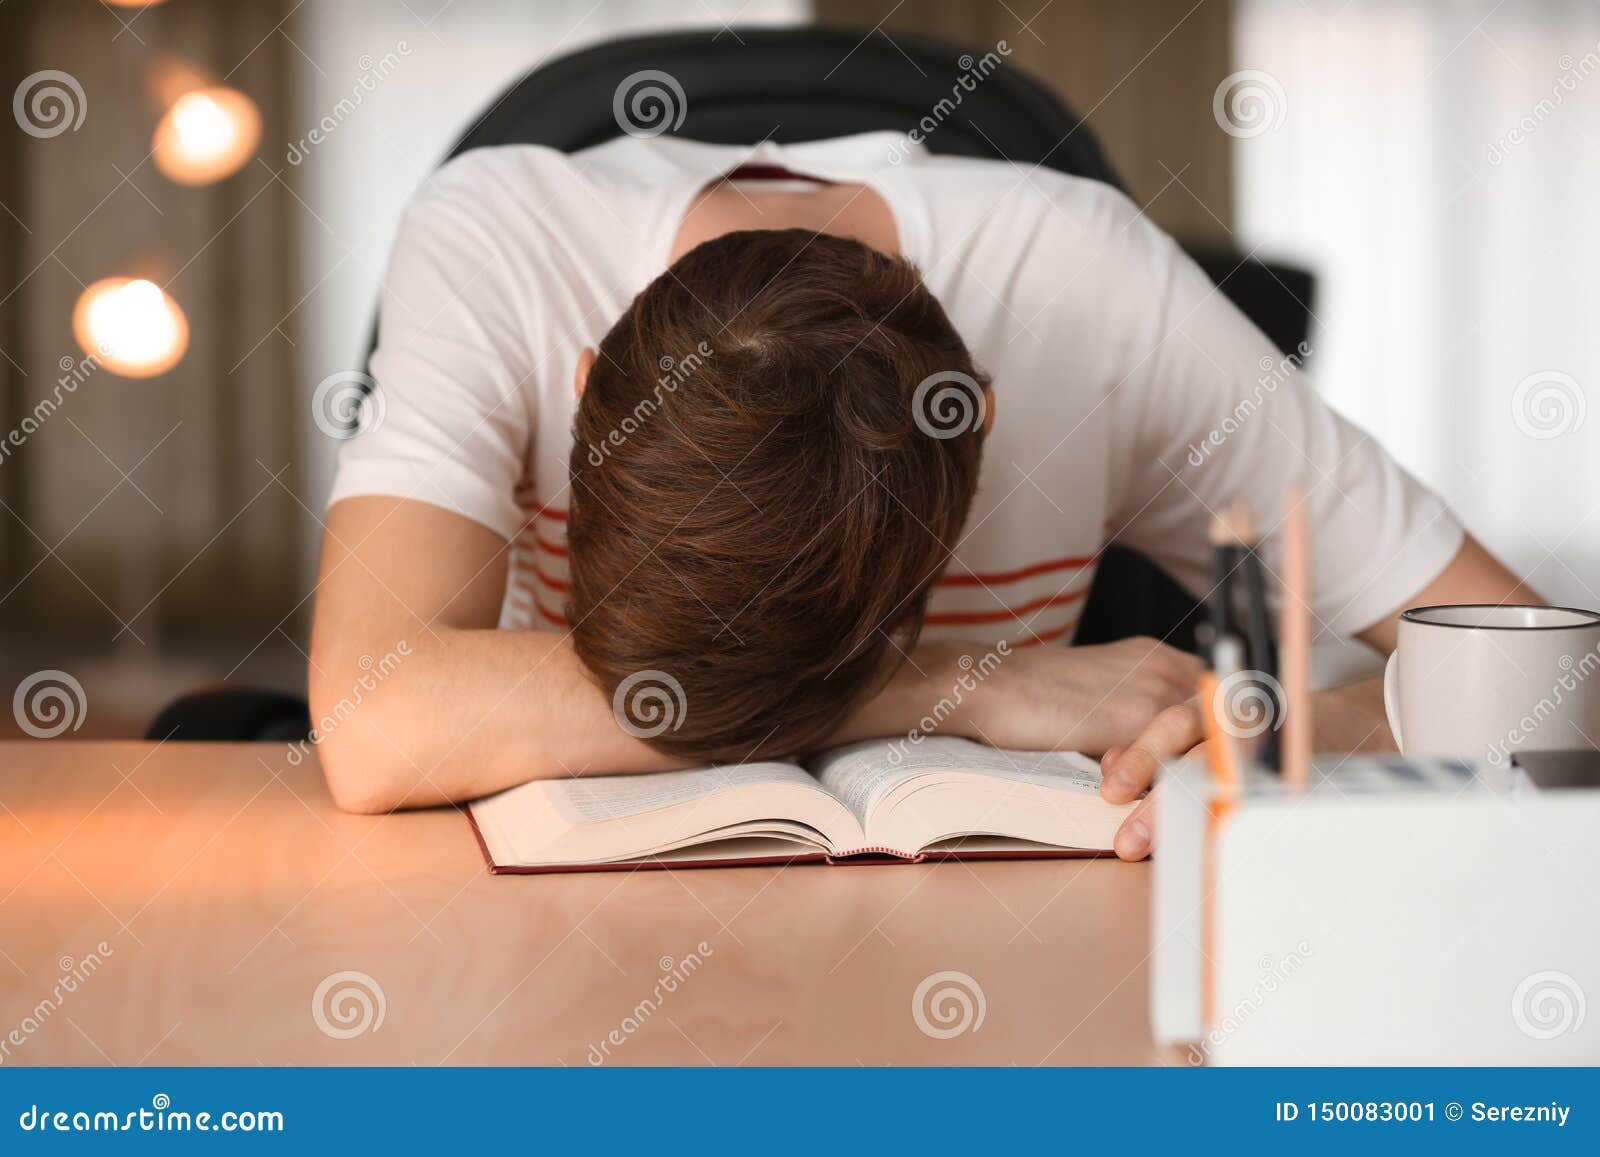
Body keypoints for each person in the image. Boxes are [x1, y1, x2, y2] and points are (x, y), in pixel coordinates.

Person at [310, 133, 1536, 858]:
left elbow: (1556, 684)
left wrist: (1304, 729)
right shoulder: (501, 247)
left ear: (981, 421)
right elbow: (371, 718)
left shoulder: (1093, 295)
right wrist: (960, 681)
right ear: (586, 394)